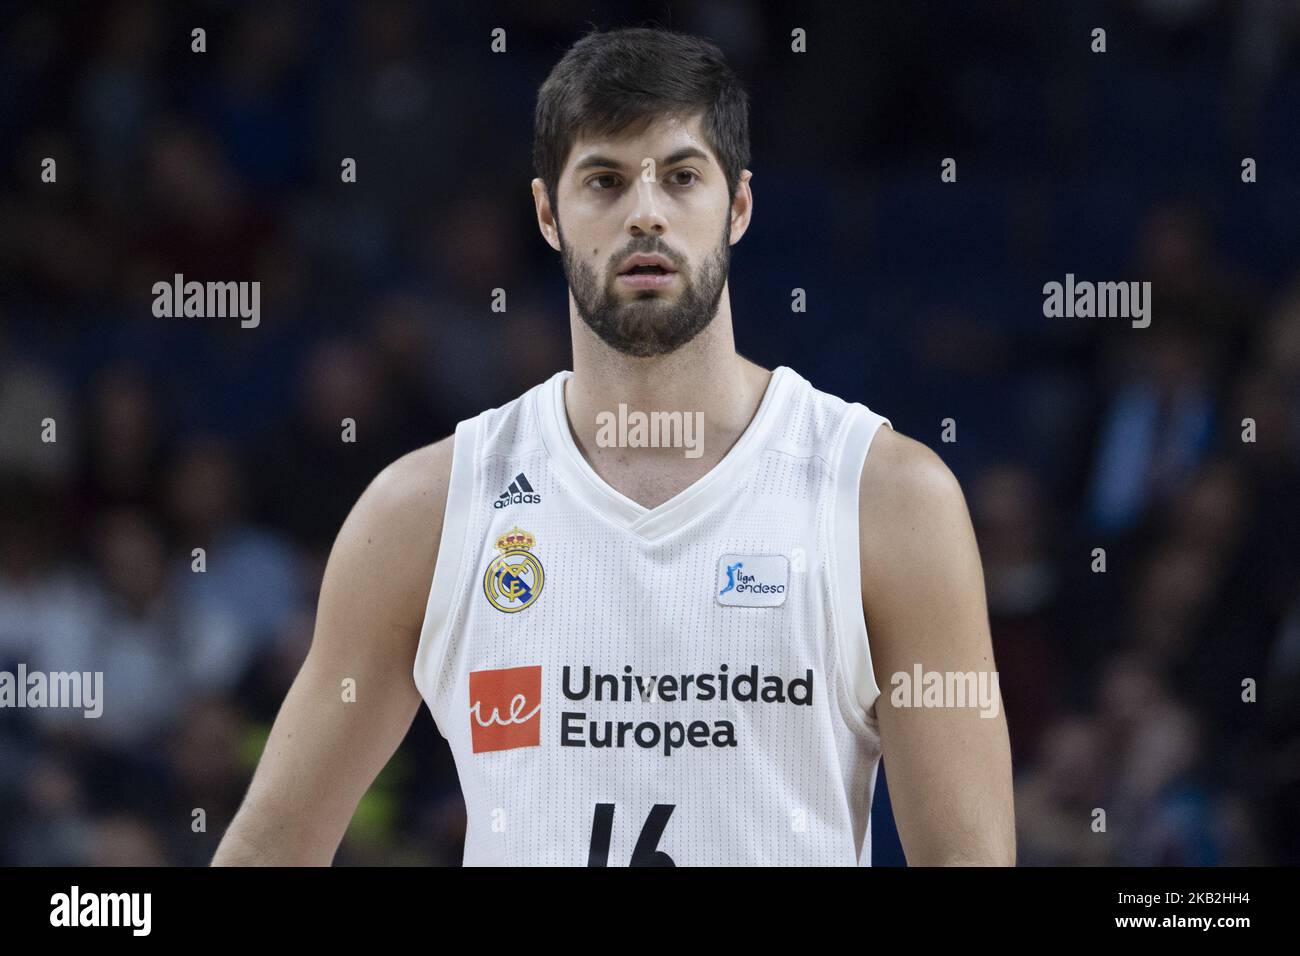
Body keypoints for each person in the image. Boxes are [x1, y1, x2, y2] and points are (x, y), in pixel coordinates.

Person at [212, 26, 1014, 866]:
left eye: (681, 177)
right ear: (547, 214)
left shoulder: (888, 499)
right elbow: (269, 848)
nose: (644, 212)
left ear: (737, 206)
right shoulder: (422, 511)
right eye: (604, 180)